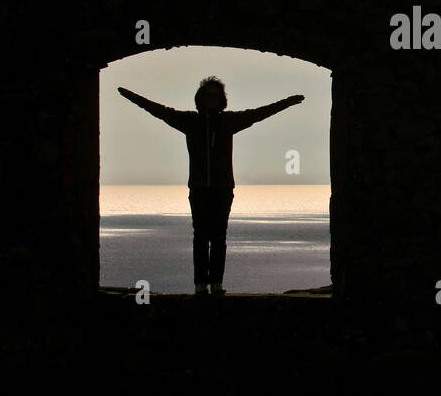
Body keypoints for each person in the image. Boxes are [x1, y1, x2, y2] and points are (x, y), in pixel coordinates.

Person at [117, 78, 304, 295]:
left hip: (223, 188)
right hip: (198, 188)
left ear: (221, 100)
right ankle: (200, 284)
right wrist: (131, 96)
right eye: (207, 96)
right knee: (200, 236)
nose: (211, 100)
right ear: (200, 99)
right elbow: (158, 110)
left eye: (215, 96)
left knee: (218, 237)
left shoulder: (229, 121)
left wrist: (287, 102)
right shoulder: (189, 121)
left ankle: (216, 283)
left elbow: (259, 113)